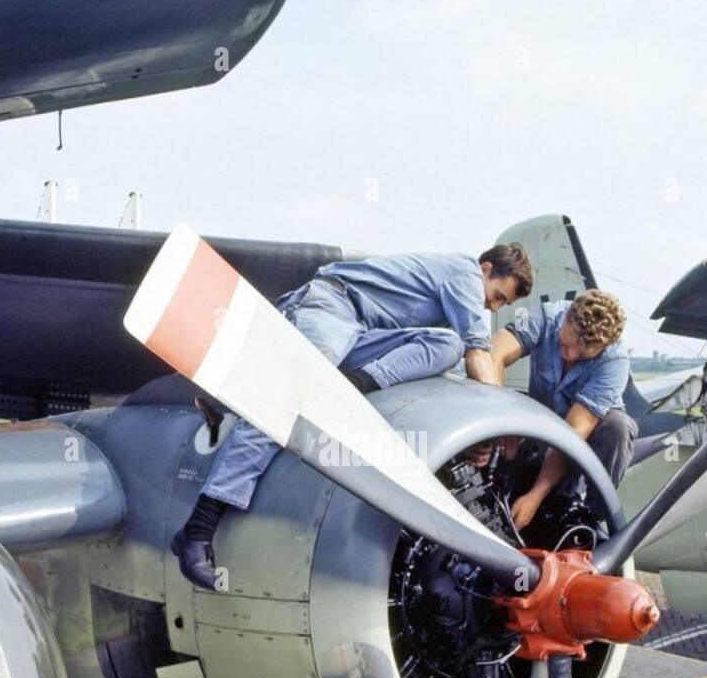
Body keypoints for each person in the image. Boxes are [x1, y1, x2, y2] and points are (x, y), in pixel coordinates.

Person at [171, 244, 535, 589]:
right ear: (487, 269)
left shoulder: (456, 293)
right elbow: (478, 352)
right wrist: (500, 424)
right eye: (499, 296)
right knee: (285, 403)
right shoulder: (466, 274)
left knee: (446, 346)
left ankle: (348, 386)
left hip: (360, 332)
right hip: (328, 308)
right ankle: (197, 530)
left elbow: (459, 352)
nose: (491, 307)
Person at [489, 288, 637, 532]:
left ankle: (591, 520)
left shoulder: (614, 362)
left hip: (581, 441)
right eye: (567, 344)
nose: (570, 354)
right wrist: (504, 420)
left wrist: (535, 497)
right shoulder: (542, 317)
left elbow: (571, 435)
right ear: (567, 315)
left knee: (617, 427)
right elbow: (495, 351)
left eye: (583, 353)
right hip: (540, 426)